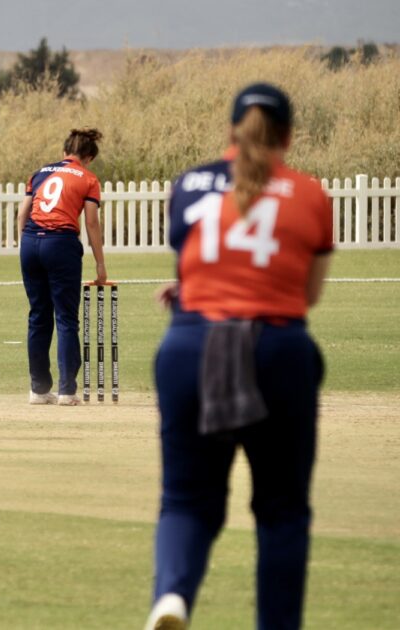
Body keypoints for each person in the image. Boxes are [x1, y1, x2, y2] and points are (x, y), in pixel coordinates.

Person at [144, 84, 332, 630]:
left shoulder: (189, 184)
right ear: (288, 136)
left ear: (231, 130)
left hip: (191, 347)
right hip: (276, 349)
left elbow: (199, 266)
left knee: (185, 500)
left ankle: (172, 595)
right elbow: (307, 294)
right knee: (282, 512)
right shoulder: (310, 194)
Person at [15, 128, 107, 406]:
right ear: (89, 158)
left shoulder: (39, 173)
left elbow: (22, 213)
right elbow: (91, 222)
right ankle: (67, 391)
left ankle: (38, 390)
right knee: (66, 319)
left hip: (31, 242)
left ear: (64, 151)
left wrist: (26, 245)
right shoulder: (88, 178)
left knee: (38, 316)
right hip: (61, 244)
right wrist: (100, 264)